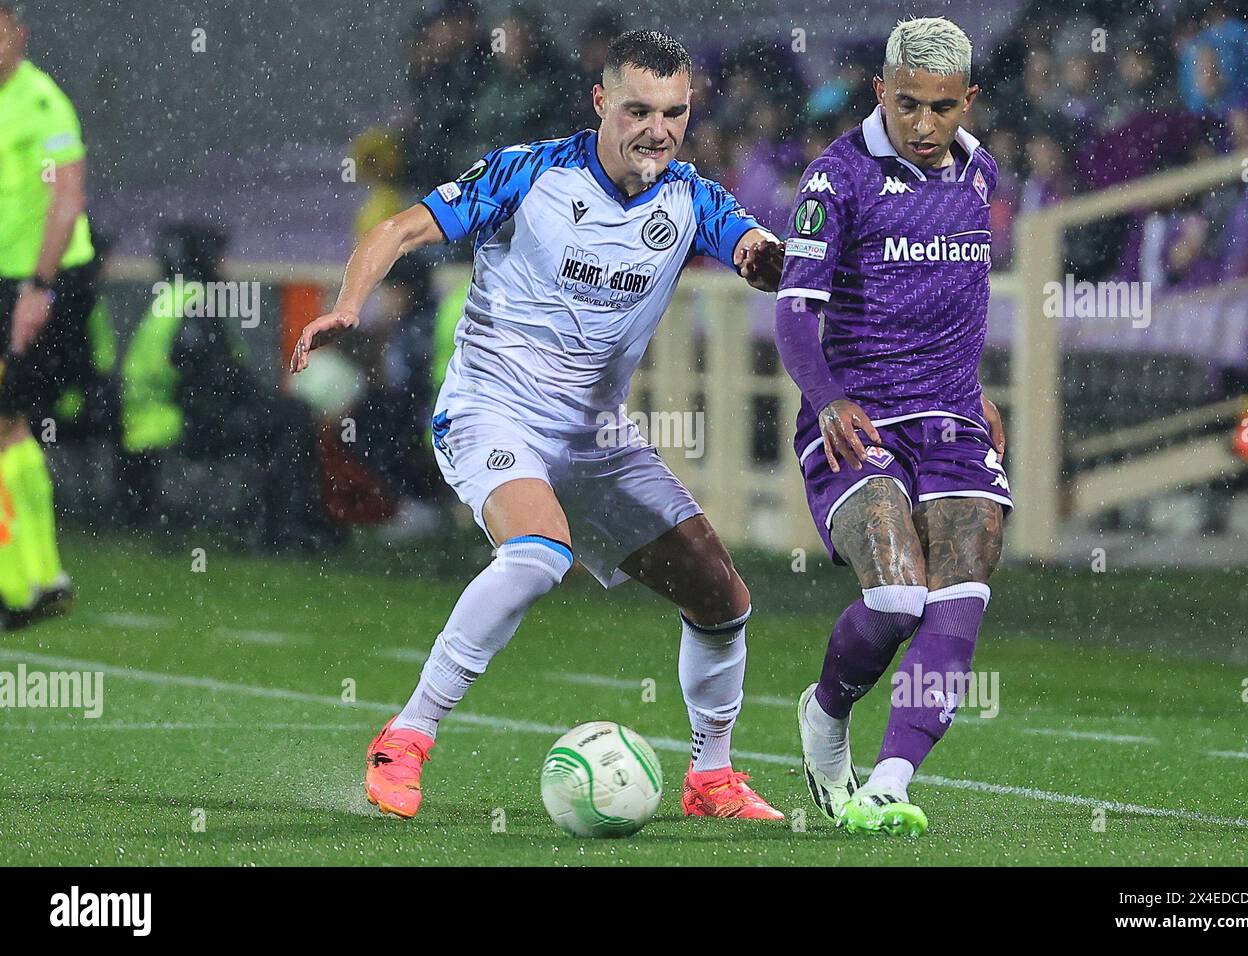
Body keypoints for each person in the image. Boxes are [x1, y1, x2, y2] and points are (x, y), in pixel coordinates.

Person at [292, 30, 787, 822]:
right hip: (492, 408)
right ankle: (406, 737)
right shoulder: (530, 171)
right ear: (600, 104)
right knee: (536, 553)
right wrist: (348, 305)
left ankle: (711, 777)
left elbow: (756, 248)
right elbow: (401, 230)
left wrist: (776, 261)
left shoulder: (693, 196)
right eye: (637, 110)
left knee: (723, 597)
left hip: (593, 438)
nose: (656, 130)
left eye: (674, 112)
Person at [776, 16, 1008, 836]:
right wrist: (829, 396)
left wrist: (970, 386)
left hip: (951, 419)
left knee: (961, 592)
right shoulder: (835, 180)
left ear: (967, 100)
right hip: (860, 416)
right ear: (880, 91)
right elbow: (796, 313)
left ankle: (889, 782)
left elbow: (960, 292)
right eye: (905, 104)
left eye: (941, 108)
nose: (922, 124)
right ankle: (827, 713)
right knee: (898, 594)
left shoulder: (981, 172)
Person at [121, 223, 332, 551]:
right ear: (203, 261)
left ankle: (284, 522)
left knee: (280, 415)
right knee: (292, 418)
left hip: (149, 422)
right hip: (178, 424)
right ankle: (287, 529)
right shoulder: (197, 303)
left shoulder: (170, 299)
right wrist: (260, 397)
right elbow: (212, 380)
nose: (223, 268)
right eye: (217, 259)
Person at [0, 1, 93, 626]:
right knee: (12, 427)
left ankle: (19, 587)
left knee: (7, 423)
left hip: (38, 283)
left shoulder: (43, 104)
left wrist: (39, 288)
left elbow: (67, 201)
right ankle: (42, 575)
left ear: (18, 35)